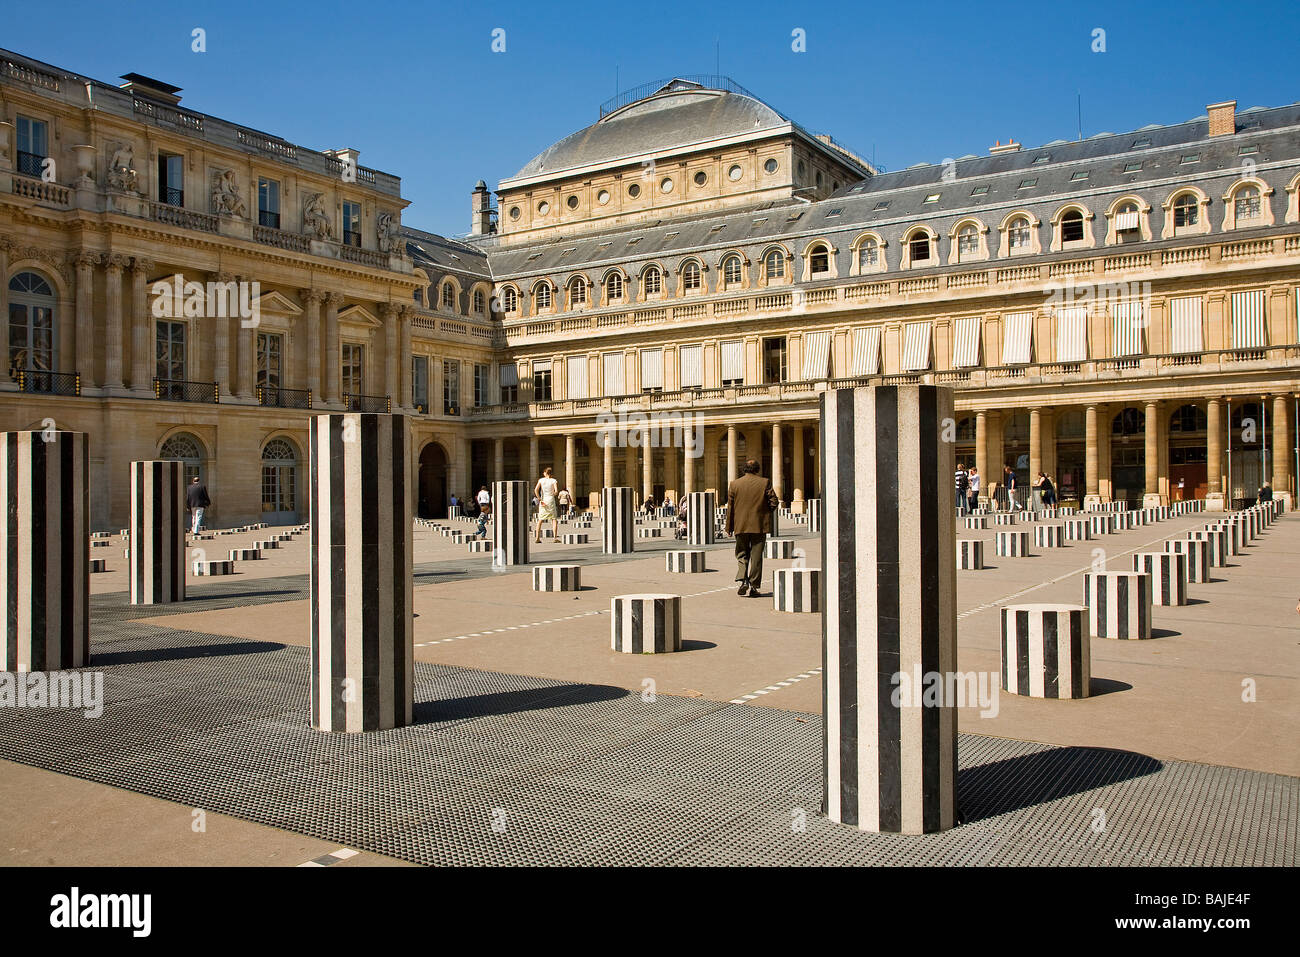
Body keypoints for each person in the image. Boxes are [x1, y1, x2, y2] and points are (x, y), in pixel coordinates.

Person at [725, 459, 780, 598]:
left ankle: (743, 580)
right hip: (759, 526)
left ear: (744, 469)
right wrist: (764, 513)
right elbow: (774, 501)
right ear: (757, 469)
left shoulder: (734, 484)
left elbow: (730, 508)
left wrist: (729, 527)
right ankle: (754, 587)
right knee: (756, 557)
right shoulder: (764, 482)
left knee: (742, 554)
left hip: (740, 525)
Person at [534, 467, 559, 543]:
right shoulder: (553, 481)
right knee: (554, 519)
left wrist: (540, 499)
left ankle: (537, 538)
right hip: (550, 500)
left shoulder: (541, 480)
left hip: (543, 500)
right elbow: (556, 491)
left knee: (540, 520)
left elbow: (536, 490)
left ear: (545, 473)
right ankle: (555, 538)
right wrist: (552, 494)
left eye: (544, 472)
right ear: (551, 473)